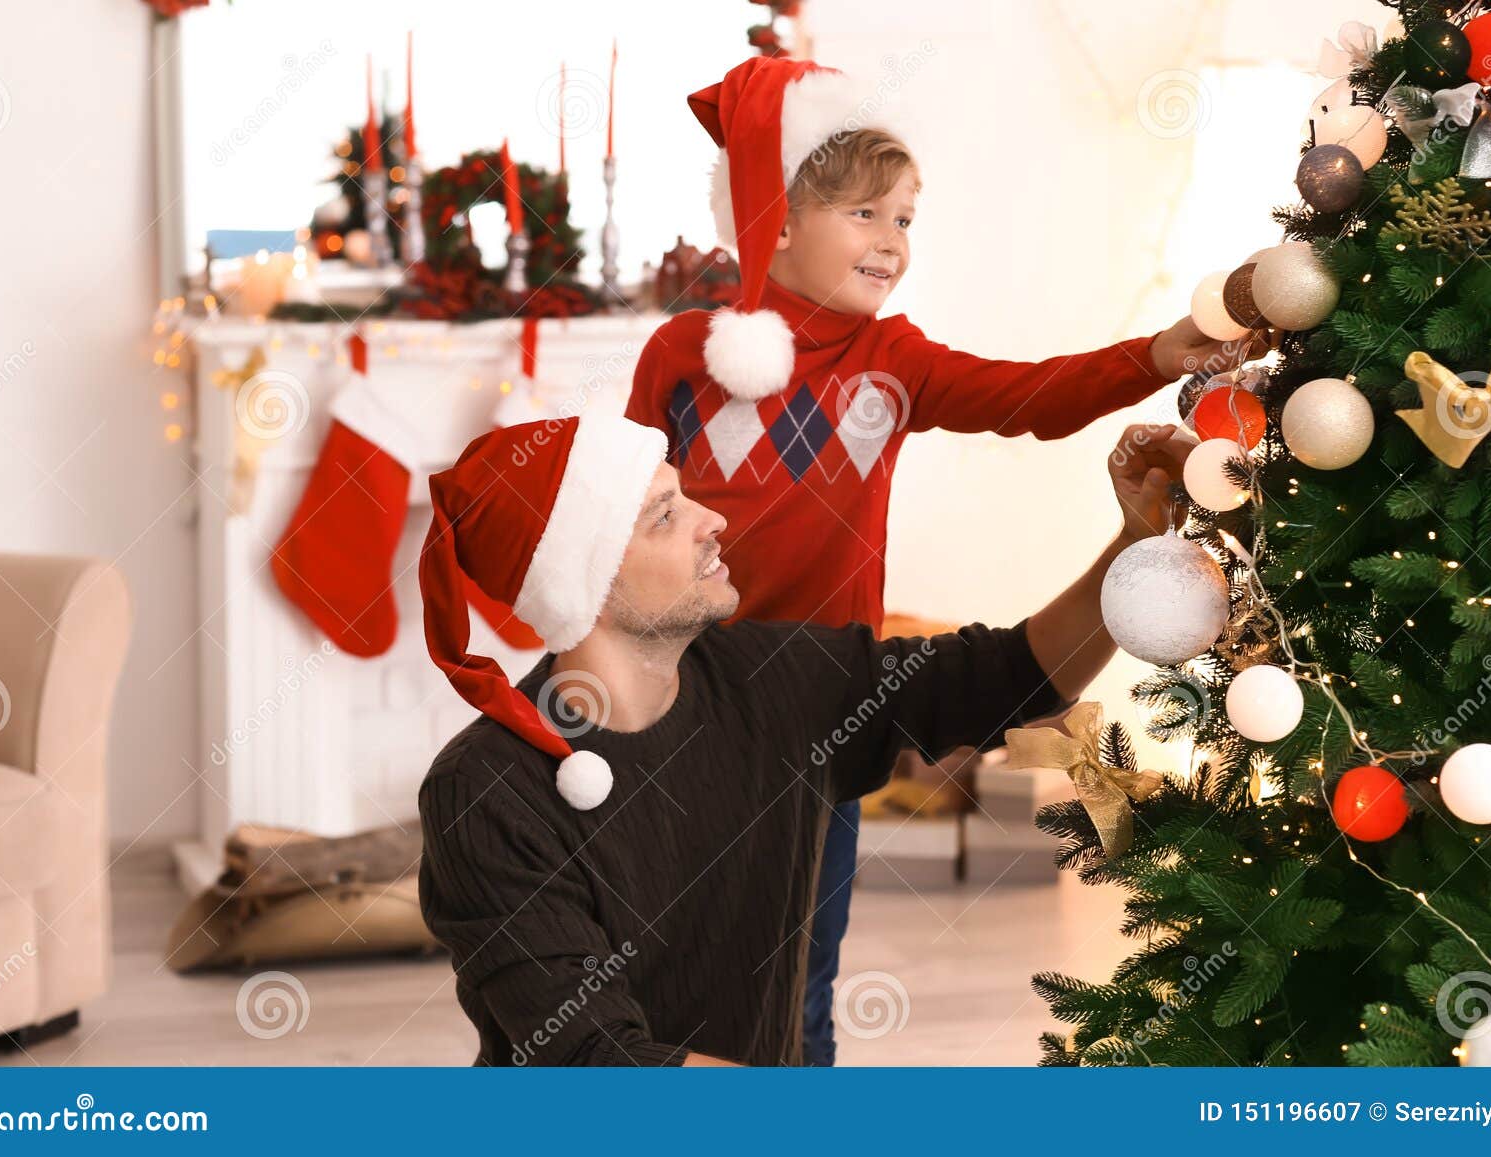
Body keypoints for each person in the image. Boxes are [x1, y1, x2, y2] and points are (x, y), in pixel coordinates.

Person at [622, 54, 1273, 1064]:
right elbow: (625, 522)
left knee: (799, 971)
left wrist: (1153, 352)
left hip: (818, 716)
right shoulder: (680, 356)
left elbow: (1026, 398)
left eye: (905, 218)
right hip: (681, 703)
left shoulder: (895, 361)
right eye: (864, 214)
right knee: (665, 956)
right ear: (775, 218)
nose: (890, 241)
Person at [414, 409, 1191, 1066]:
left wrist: (1135, 546)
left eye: (683, 495)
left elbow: (1006, 678)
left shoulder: (774, 679)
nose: (712, 519)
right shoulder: (484, 793)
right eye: (664, 515)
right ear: (583, 585)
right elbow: (599, 1065)